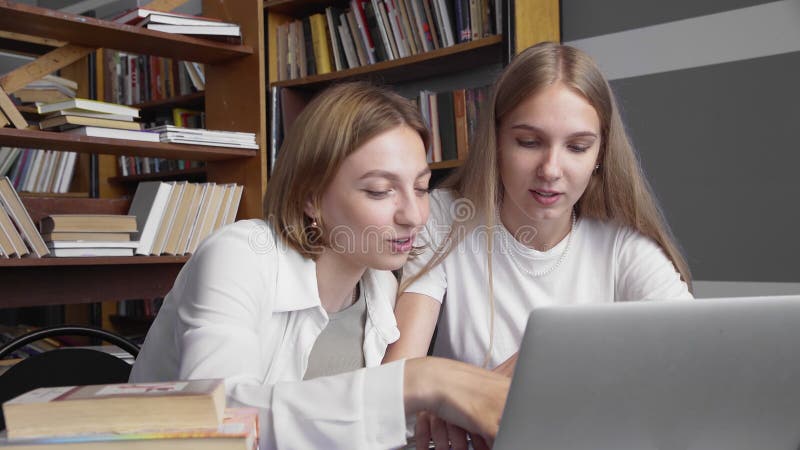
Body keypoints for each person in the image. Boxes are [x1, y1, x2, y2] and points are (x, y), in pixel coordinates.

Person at [129, 82, 509, 449]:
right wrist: (419, 381)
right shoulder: (238, 255)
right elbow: (219, 417)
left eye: (422, 188)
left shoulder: (381, 285)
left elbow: (351, 421)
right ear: (311, 196)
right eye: (380, 191)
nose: (414, 215)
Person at [384, 42, 694, 448]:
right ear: (497, 140)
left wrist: (545, 361)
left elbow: (694, 356)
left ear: (600, 153)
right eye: (529, 142)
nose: (550, 169)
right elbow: (397, 384)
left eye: (577, 147)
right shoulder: (442, 218)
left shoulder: (622, 243)